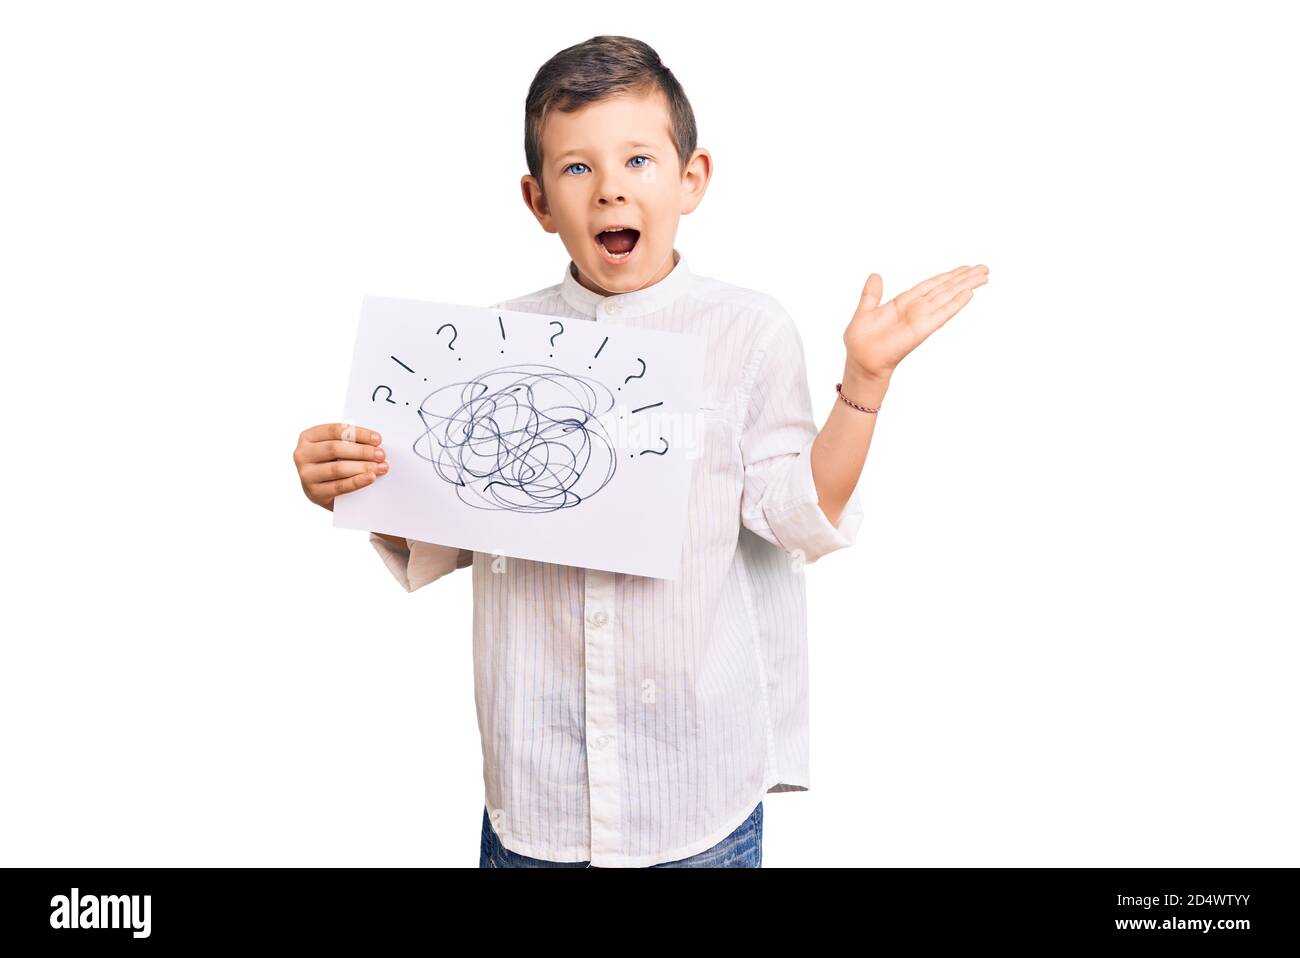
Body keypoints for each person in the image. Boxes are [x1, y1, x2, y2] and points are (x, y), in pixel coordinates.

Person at [291, 35, 988, 868]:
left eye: (638, 161)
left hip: (693, 794)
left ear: (690, 180)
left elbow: (803, 515)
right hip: (535, 795)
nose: (611, 187)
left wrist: (865, 379)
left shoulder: (748, 331)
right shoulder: (491, 343)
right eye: (577, 168)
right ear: (538, 200)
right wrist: (350, 484)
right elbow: (445, 532)